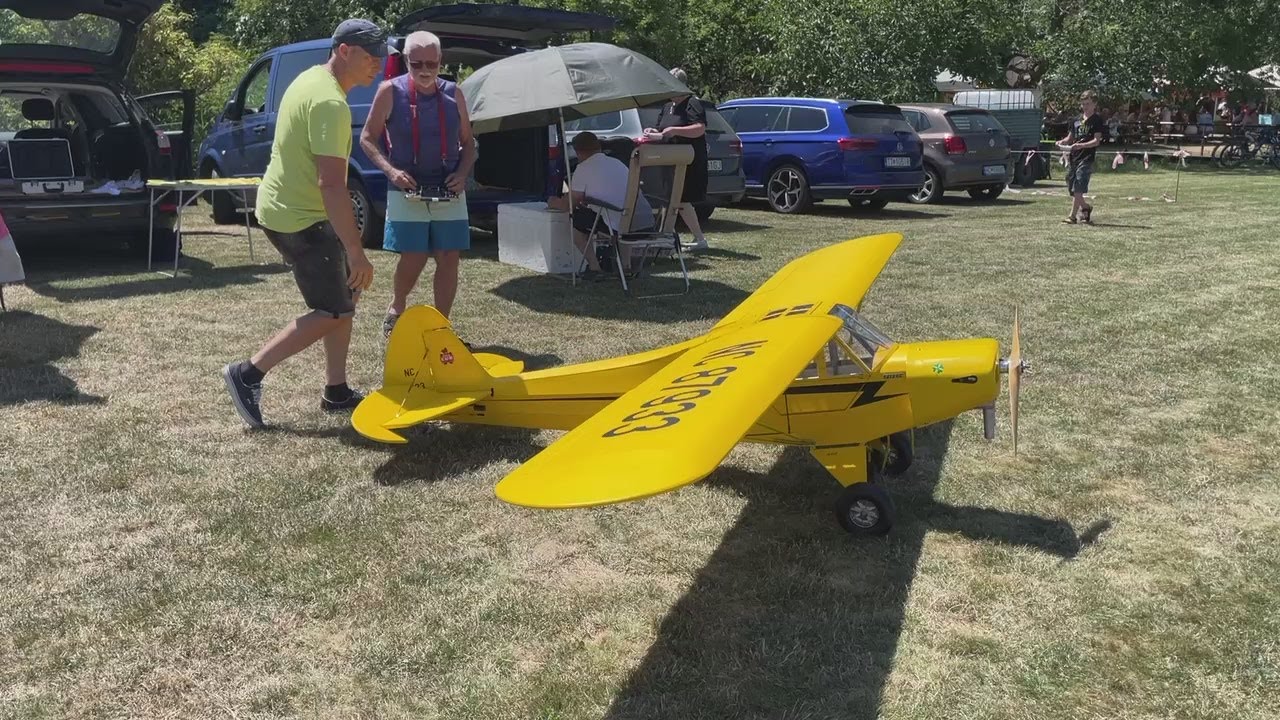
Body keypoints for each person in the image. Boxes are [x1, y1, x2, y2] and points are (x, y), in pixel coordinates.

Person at [221, 19, 383, 429]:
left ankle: (337, 390)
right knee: (331, 310)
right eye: (370, 56)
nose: (378, 64)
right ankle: (247, 373)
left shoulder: (309, 78)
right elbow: (331, 185)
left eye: (381, 56)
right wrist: (355, 249)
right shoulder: (330, 103)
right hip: (301, 219)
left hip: (283, 208)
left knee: (345, 299)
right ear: (344, 51)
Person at [359, 31, 475, 339]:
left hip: (448, 188)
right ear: (405, 62)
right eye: (416, 64)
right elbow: (367, 139)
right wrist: (391, 171)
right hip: (405, 188)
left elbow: (469, 144)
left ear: (441, 62)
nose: (424, 71)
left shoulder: (454, 93)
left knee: (449, 255)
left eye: (432, 64)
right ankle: (397, 307)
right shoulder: (389, 91)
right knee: (414, 254)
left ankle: (441, 326)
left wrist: (462, 173)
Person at [547, 131, 654, 277]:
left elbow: (568, 205)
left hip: (618, 225)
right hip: (644, 223)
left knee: (577, 222)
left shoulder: (583, 168)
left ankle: (594, 267)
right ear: (599, 147)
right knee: (623, 214)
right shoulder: (617, 163)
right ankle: (626, 266)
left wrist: (553, 201)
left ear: (578, 152)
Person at [643, 67, 710, 252]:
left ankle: (692, 239)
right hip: (669, 159)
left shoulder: (692, 103)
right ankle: (674, 237)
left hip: (688, 160)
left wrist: (675, 131)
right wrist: (653, 132)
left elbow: (699, 128)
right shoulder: (667, 106)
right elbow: (661, 129)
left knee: (680, 199)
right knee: (674, 199)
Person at [1056, 89, 1104, 225]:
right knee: (1072, 188)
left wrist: (1082, 146)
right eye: (1083, 104)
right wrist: (1062, 142)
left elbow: (1096, 141)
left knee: (1078, 187)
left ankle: (1072, 216)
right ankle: (1085, 207)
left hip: (1086, 158)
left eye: (1087, 104)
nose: (1084, 107)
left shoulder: (1097, 120)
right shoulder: (1076, 120)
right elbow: (1070, 137)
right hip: (1074, 157)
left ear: (1094, 104)